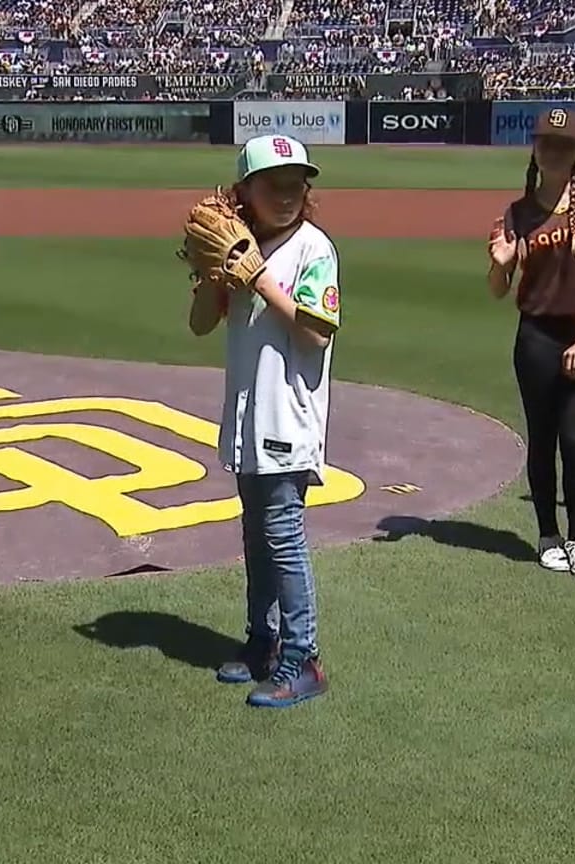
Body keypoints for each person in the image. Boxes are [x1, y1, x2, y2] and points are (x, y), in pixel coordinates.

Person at [187, 133, 338, 708]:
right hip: (247, 417)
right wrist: (214, 275)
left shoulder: (314, 249)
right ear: (245, 191)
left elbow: (316, 331)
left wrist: (259, 279)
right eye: (272, 184)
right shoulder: (239, 248)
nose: (286, 194)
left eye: (296, 183)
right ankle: (263, 641)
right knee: (257, 536)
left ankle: (304, 657)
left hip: (288, 416)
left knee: (283, 534)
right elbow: (201, 324)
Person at [486, 108, 575, 579]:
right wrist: (502, 262)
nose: (553, 151)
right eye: (546, 142)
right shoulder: (518, 213)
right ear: (534, 148)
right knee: (542, 439)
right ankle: (548, 534)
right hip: (537, 339)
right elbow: (497, 289)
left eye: (564, 144)